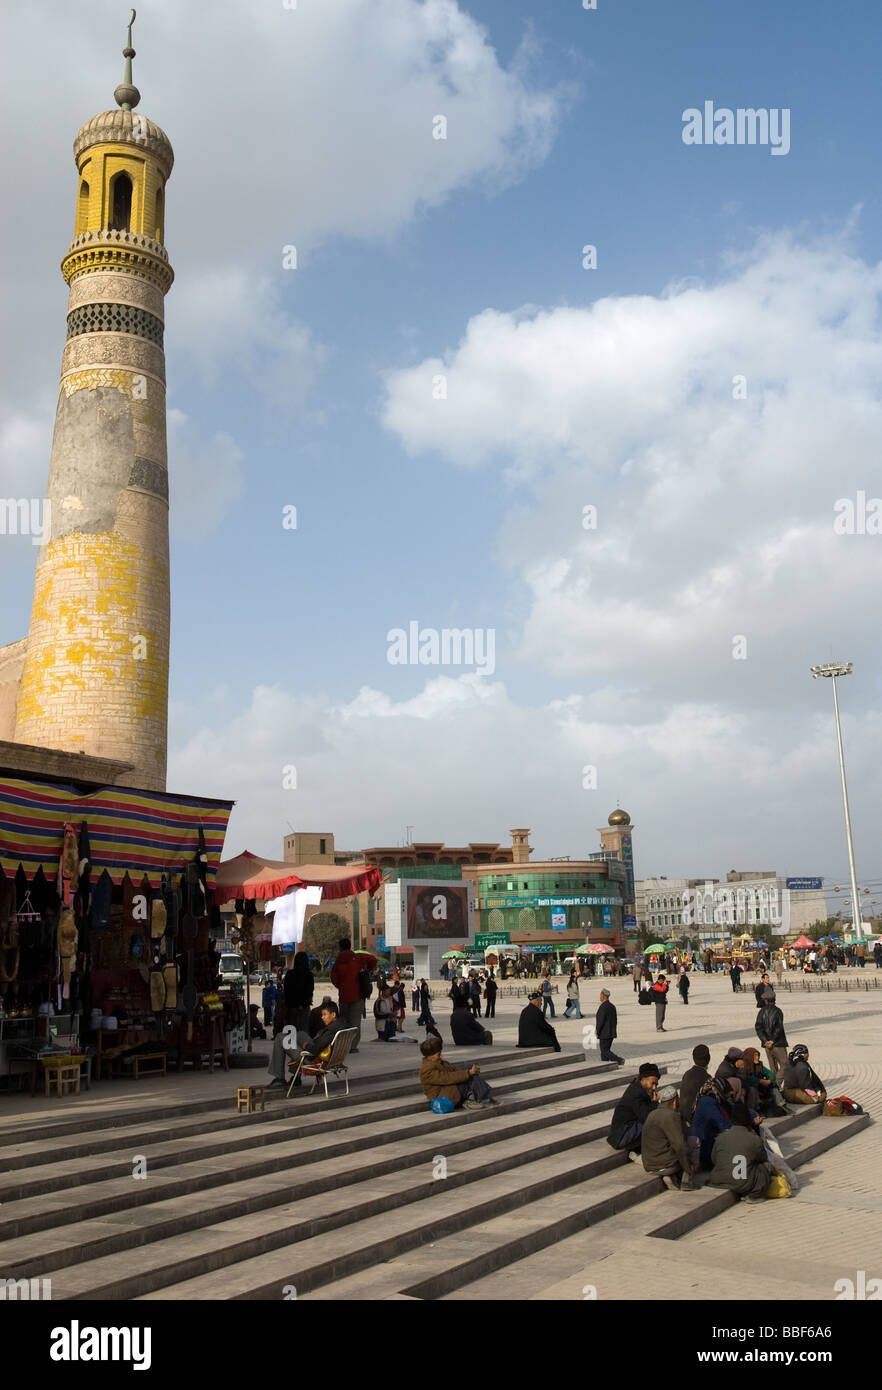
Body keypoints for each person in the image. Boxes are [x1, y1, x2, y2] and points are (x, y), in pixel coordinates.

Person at [267, 999, 344, 1089]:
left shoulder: (330, 1031)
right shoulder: (340, 1025)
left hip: (312, 1058)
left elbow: (315, 1050)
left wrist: (306, 1046)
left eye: (324, 1015)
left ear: (333, 1015)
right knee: (301, 1034)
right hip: (325, 1056)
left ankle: (279, 1078)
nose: (322, 1017)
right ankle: (296, 1077)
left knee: (280, 1037)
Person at [706, 1101, 773, 1202]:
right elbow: (763, 1158)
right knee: (765, 1167)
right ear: (748, 1120)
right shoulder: (754, 1139)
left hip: (718, 1180)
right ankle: (754, 1196)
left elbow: (714, 1159)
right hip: (743, 1183)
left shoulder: (720, 1137)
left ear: (731, 1119)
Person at [418, 1036, 500, 1110]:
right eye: (438, 1054)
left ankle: (479, 1097)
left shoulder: (440, 1062)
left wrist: (470, 1071)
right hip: (443, 1096)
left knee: (469, 1068)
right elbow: (447, 1078)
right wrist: (468, 1073)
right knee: (468, 1075)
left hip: (448, 1089)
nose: (441, 1056)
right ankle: (483, 1098)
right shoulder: (426, 1070)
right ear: (430, 1056)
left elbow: (455, 1071)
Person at [640, 1085, 696, 1190]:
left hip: (649, 1166)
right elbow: (680, 1146)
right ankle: (686, 1179)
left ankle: (673, 1176)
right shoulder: (671, 1116)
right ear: (674, 1102)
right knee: (694, 1141)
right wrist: (689, 1168)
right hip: (664, 1165)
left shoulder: (652, 1114)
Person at [330, 938, 376, 1054]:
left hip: (344, 995)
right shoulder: (358, 957)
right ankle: (353, 1046)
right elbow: (373, 960)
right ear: (350, 946)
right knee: (355, 1022)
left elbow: (333, 977)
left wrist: (341, 986)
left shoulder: (338, 961)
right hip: (358, 994)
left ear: (340, 947)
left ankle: (343, 1044)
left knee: (344, 1021)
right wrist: (367, 970)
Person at [607, 1063, 660, 1155]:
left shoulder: (639, 1089)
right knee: (655, 1123)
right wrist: (654, 1103)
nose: (654, 1087)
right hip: (621, 1137)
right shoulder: (637, 1093)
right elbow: (646, 1117)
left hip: (625, 1132)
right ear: (643, 1080)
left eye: (656, 1084)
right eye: (653, 1083)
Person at [690, 1077, 732, 1168]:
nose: (729, 1097)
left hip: (709, 1141)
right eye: (728, 1094)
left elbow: (733, 1110)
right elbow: (722, 1124)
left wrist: (751, 1117)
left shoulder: (716, 1099)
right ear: (721, 1089)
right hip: (704, 1147)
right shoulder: (707, 1102)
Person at [755, 989, 789, 1075]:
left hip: (767, 1045)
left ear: (766, 1000)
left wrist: (765, 1041)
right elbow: (779, 1027)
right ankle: (777, 1084)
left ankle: (775, 1086)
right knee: (785, 1065)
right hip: (778, 1044)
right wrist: (772, 1040)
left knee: (773, 1067)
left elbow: (758, 1027)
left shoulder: (761, 1012)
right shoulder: (778, 1011)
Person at [284, 951, 314, 1035]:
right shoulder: (309, 975)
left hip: (291, 1006)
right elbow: (309, 991)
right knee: (303, 1030)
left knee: (291, 1032)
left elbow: (286, 991)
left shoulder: (289, 974)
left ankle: (291, 1047)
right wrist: (303, 1004)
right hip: (304, 1007)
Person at [679, 1044, 711, 1122]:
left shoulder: (687, 1074)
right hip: (695, 1118)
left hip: (684, 1115)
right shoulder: (707, 1078)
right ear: (708, 1059)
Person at [596, 989, 623, 1063]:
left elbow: (600, 1021)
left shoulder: (603, 1007)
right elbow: (615, 1020)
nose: (600, 997)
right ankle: (604, 1064)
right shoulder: (612, 1006)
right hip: (611, 1032)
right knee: (605, 1051)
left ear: (603, 996)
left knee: (605, 1051)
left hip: (604, 1033)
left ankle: (619, 1060)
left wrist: (597, 1032)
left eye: (600, 995)